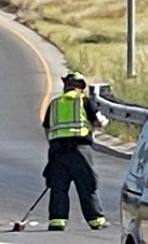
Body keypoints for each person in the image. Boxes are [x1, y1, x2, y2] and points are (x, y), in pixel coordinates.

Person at [42, 72, 108, 232]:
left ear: (66, 86)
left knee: (58, 187)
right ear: (81, 87)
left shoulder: (54, 104)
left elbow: (47, 128)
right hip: (80, 150)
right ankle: (96, 220)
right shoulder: (84, 101)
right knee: (87, 185)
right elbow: (99, 122)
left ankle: (57, 221)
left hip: (57, 152)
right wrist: (101, 124)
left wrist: (54, 145)